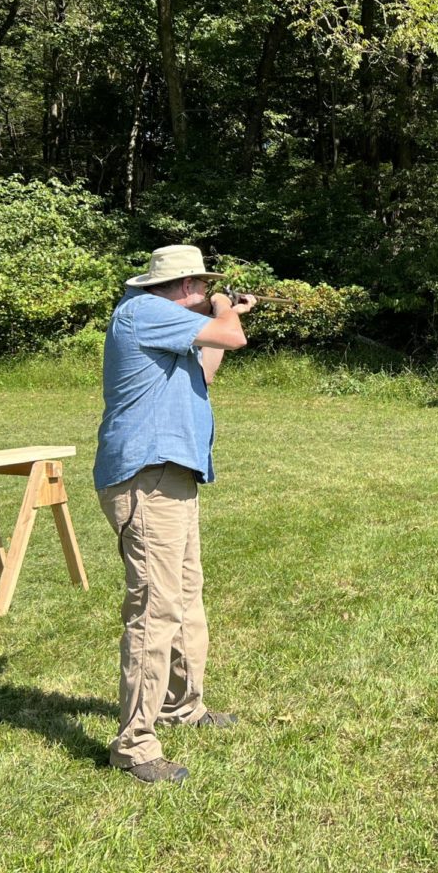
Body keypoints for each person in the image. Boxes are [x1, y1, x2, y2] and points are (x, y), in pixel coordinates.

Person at [93, 244, 257, 785]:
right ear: (186, 286)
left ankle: (182, 706)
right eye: (204, 286)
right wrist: (226, 309)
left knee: (185, 596)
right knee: (155, 609)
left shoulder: (170, 327)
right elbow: (232, 335)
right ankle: (134, 746)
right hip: (146, 477)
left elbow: (207, 368)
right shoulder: (144, 311)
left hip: (172, 476)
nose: (208, 293)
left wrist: (223, 313)